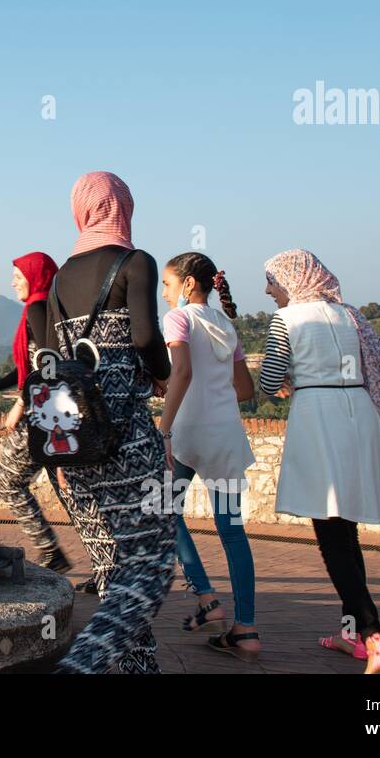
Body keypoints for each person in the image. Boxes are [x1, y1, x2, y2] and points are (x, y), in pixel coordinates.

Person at [44, 172, 176, 674]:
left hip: (79, 443)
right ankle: (81, 666)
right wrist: (160, 376)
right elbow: (145, 337)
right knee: (151, 566)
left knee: (115, 565)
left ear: (82, 210)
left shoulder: (58, 279)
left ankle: (139, 668)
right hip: (125, 438)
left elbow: (54, 361)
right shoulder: (134, 262)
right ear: (123, 206)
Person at [259, 249, 380, 674]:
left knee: (330, 532)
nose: (268, 290)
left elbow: (269, 381)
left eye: (272, 281)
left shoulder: (287, 320)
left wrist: (292, 377)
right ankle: (351, 635)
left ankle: (374, 634)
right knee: (347, 530)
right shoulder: (353, 316)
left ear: (290, 280)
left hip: (317, 413)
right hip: (358, 415)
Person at [157, 252, 260, 661]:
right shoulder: (225, 325)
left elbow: (180, 373)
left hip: (188, 433)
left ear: (186, 285)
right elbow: (246, 389)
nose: (163, 293)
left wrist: (164, 428)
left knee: (164, 510)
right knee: (233, 530)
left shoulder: (179, 319)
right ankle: (247, 630)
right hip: (227, 437)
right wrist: (214, 397)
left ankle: (205, 597)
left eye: (167, 284)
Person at [0, 252, 73, 574]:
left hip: (42, 415)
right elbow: (31, 364)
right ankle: (102, 564)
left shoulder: (38, 309)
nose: (12, 282)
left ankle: (52, 551)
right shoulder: (43, 308)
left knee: (7, 481)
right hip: (51, 414)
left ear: (35, 277)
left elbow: (49, 364)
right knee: (73, 494)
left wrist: (21, 404)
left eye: (18, 276)